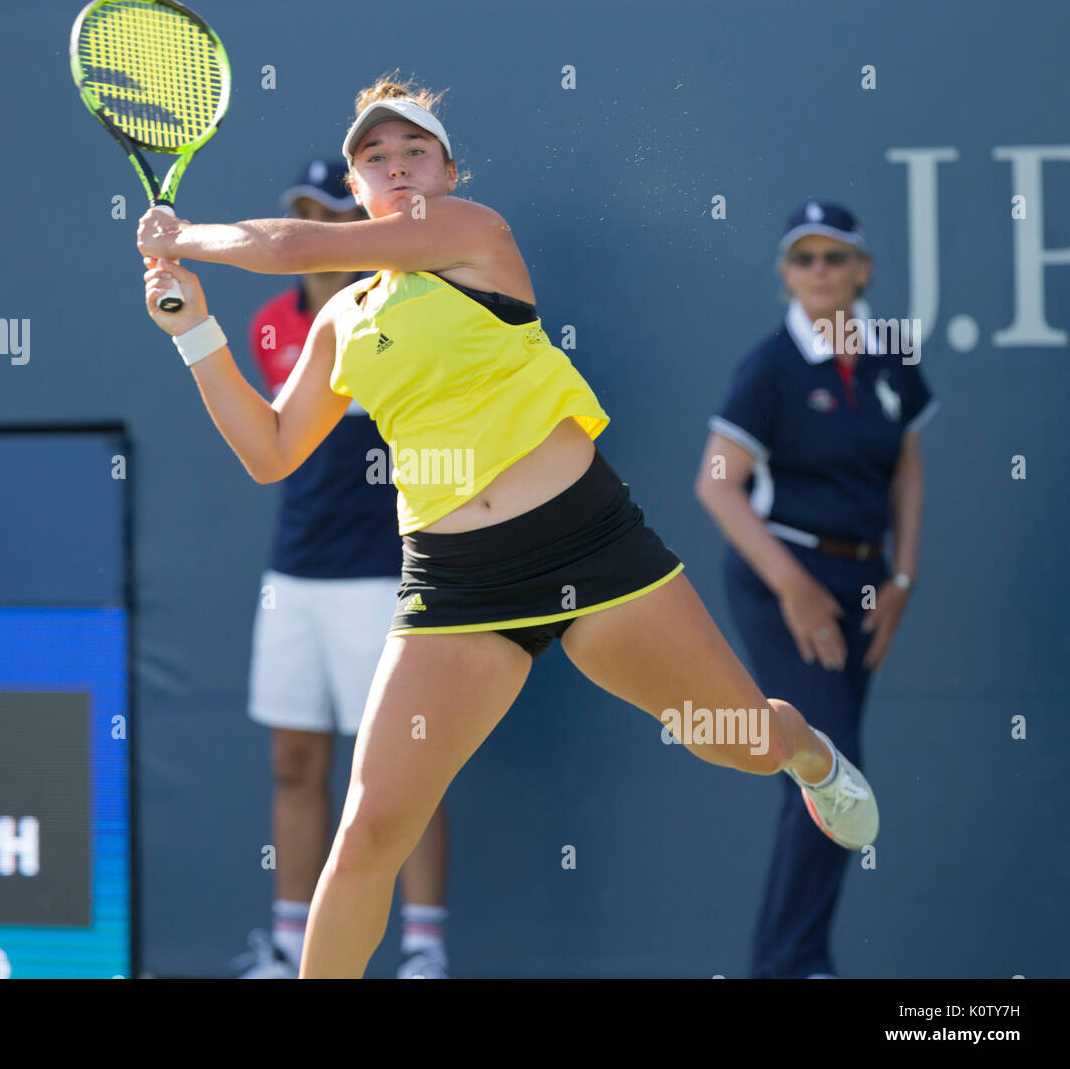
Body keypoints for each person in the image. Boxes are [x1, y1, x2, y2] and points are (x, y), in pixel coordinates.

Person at [137, 74, 880, 979]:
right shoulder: (341, 319)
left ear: (449, 172)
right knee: (369, 829)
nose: (398, 166)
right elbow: (271, 450)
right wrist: (198, 335)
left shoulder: (470, 236)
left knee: (739, 744)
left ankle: (807, 754)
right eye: (376, 157)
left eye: (417, 151)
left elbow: (291, 240)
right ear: (356, 181)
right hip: (456, 591)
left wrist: (188, 237)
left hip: (594, 553)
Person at [694, 202, 937, 979]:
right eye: (805, 259)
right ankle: (792, 964)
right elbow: (717, 485)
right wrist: (794, 586)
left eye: (836, 257)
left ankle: (790, 960)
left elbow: (904, 462)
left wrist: (901, 574)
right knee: (831, 761)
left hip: (864, 581)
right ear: (786, 275)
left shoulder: (890, 351)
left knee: (828, 770)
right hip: (784, 581)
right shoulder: (769, 366)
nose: (821, 272)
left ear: (863, 270)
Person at [234, 158, 451, 980]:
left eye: (330, 213)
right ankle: (291, 947)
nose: (315, 231)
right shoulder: (268, 322)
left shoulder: (405, 312)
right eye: (302, 213)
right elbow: (284, 441)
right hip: (294, 574)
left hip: (388, 571)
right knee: (295, 762)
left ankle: (423, 949)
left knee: (402, 769)